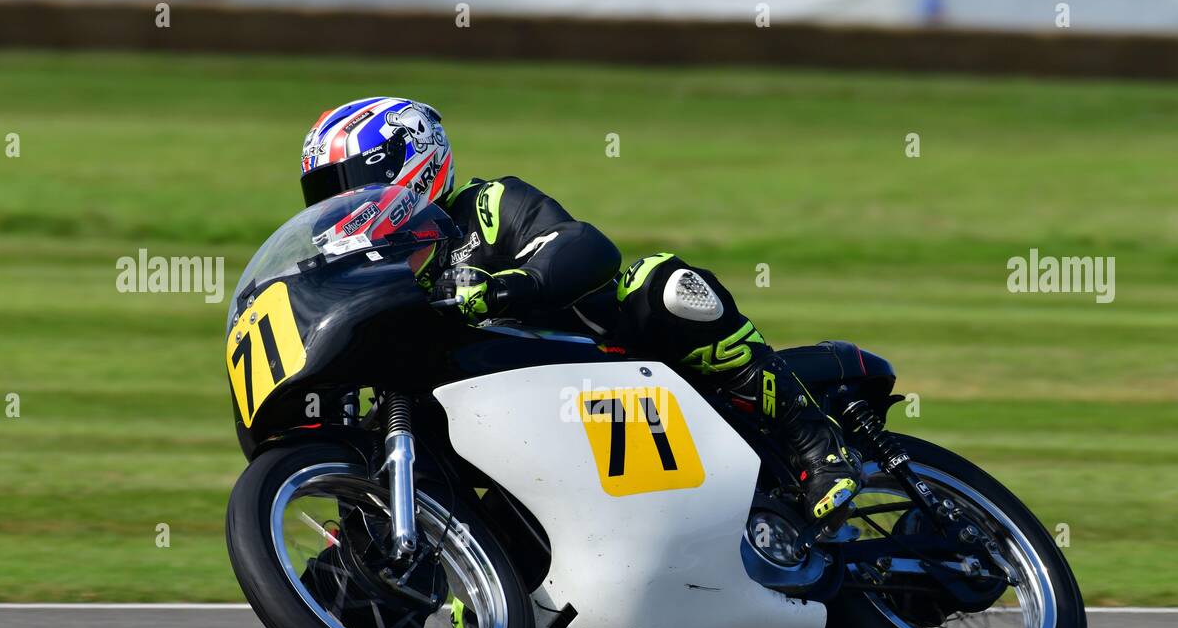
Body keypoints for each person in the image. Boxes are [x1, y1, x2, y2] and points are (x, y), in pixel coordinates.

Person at [299, 97, 860, 528]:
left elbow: (584, 247)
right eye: (323, 193)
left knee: (667, 285)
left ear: (410, 161)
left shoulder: (486, 205)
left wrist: (501, 289)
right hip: (516, 423)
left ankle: (812, 440)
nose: (336, 205)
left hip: (607, 364)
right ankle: (381, 575)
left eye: (348, 184)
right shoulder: (372, 265)